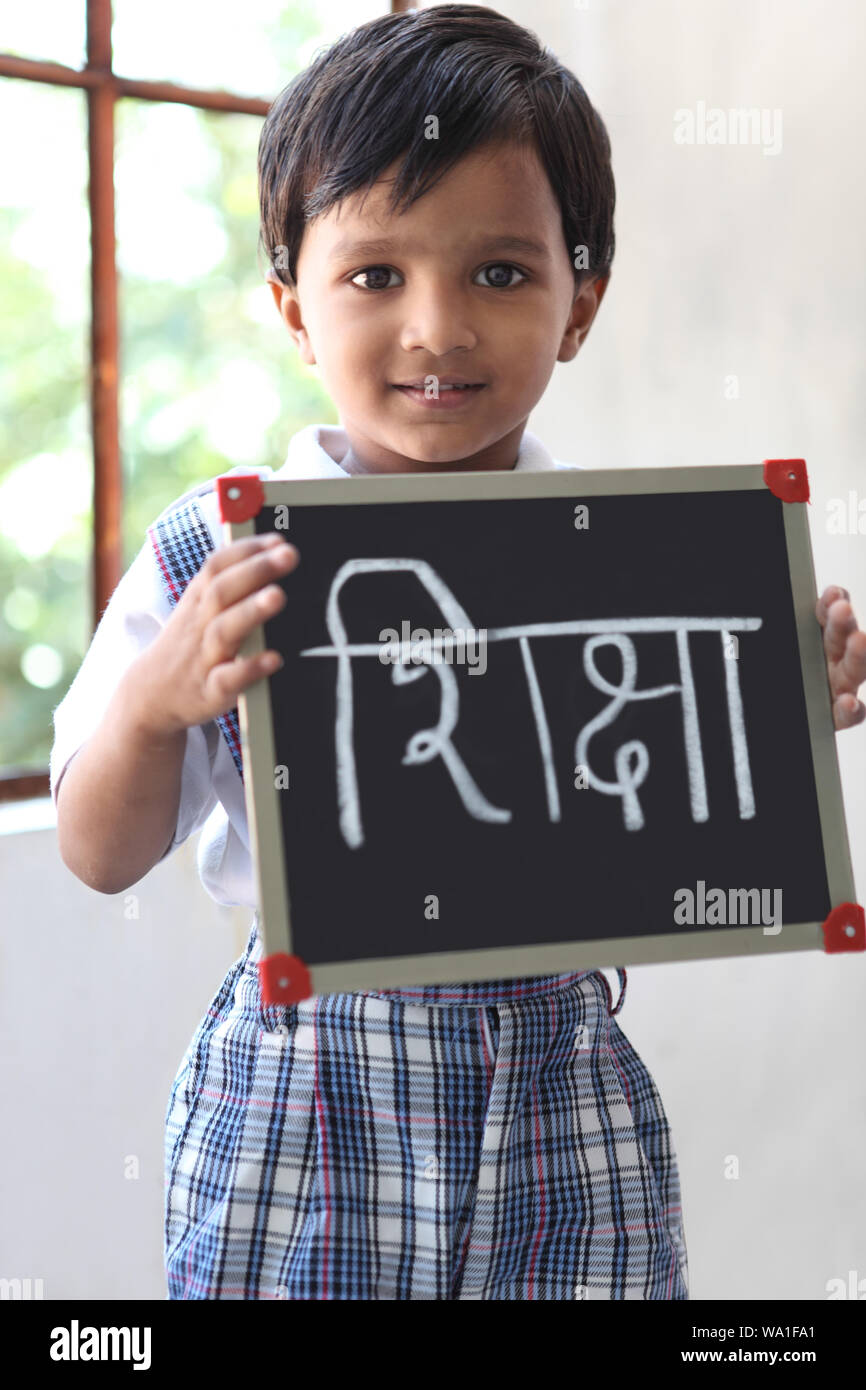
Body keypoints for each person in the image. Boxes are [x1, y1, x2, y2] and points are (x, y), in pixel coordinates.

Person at [50, 4, 866, 1301]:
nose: (436, 329)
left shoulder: (626, 560)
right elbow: (98, 851)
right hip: (306, 1102)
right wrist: (153, 706)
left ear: (578, 299)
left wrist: (769, 711)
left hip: (563, 1091)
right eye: (375, 276)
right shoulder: (216, 549)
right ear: (293, 307)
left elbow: (667, 802)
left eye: (498, 272)